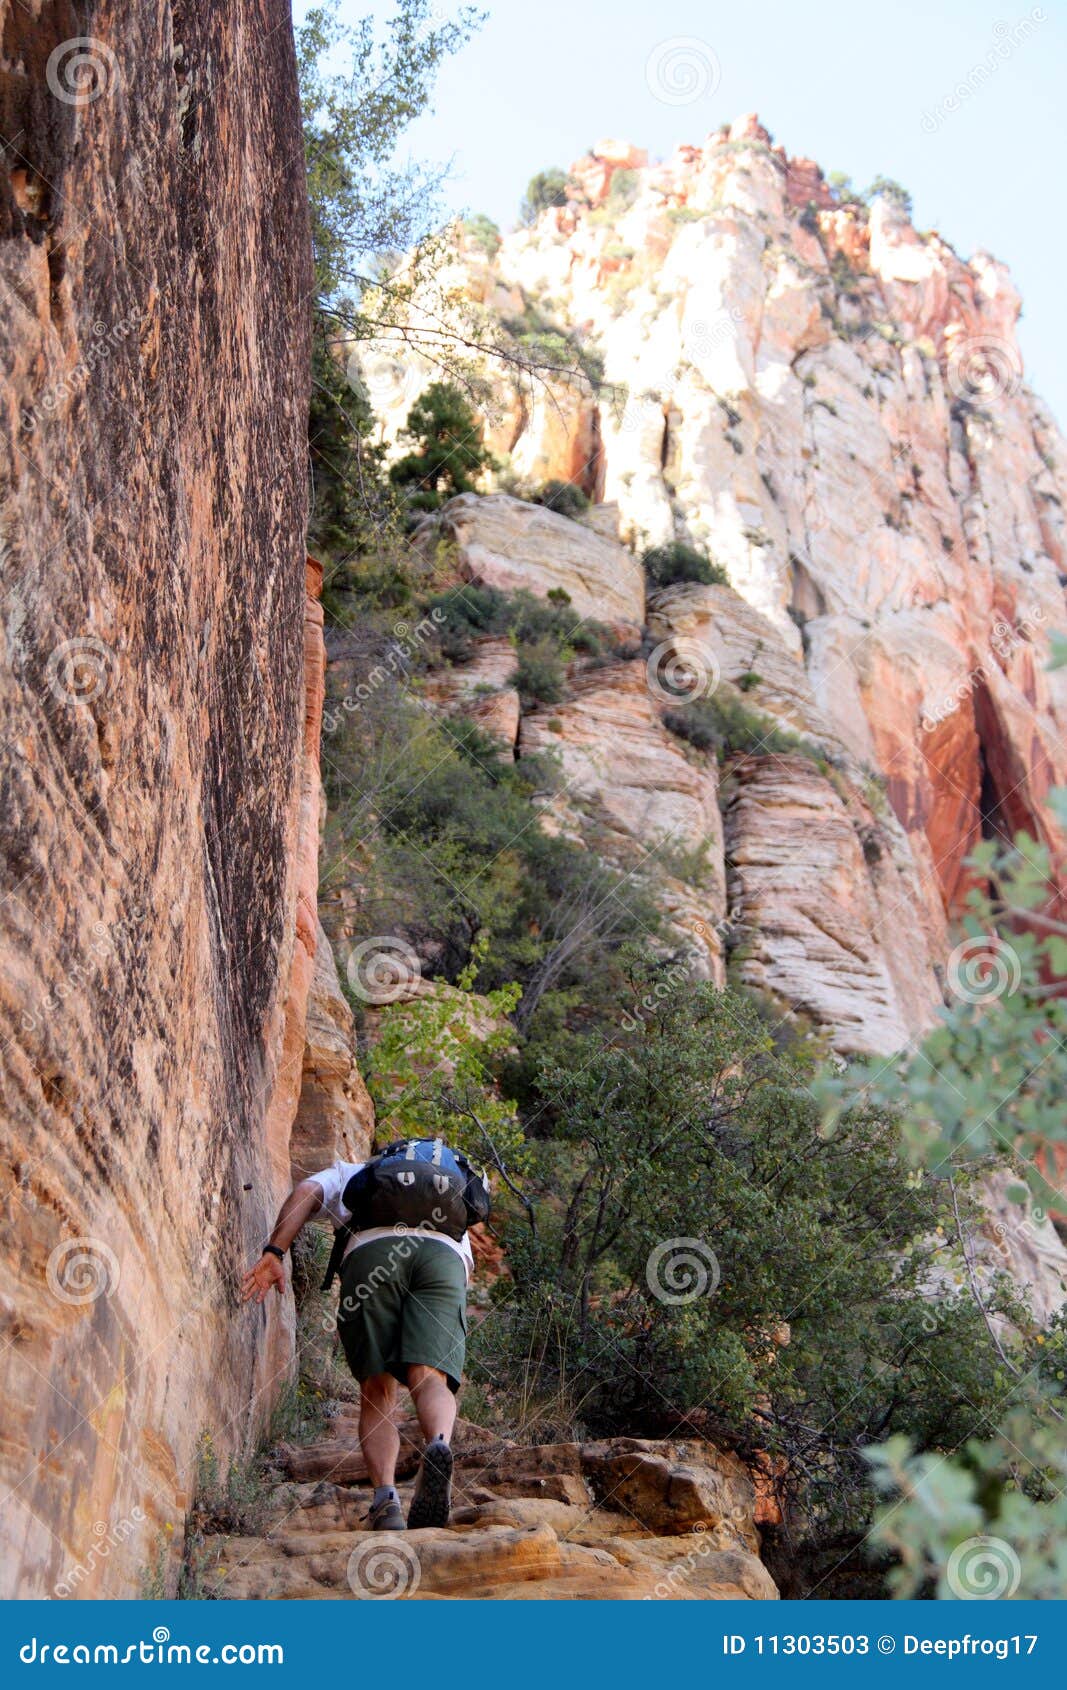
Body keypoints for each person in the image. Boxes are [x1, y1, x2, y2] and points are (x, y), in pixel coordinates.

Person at [241, 1140, 486, 1531]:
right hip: (443, 1258)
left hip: (373, 1252)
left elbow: (307, 1192)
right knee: (429, 1377)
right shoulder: (448, 1186)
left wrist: (275, 1251)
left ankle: (386, 1501)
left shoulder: (358, 1172)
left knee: (377, 1388)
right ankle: (438, 1443)